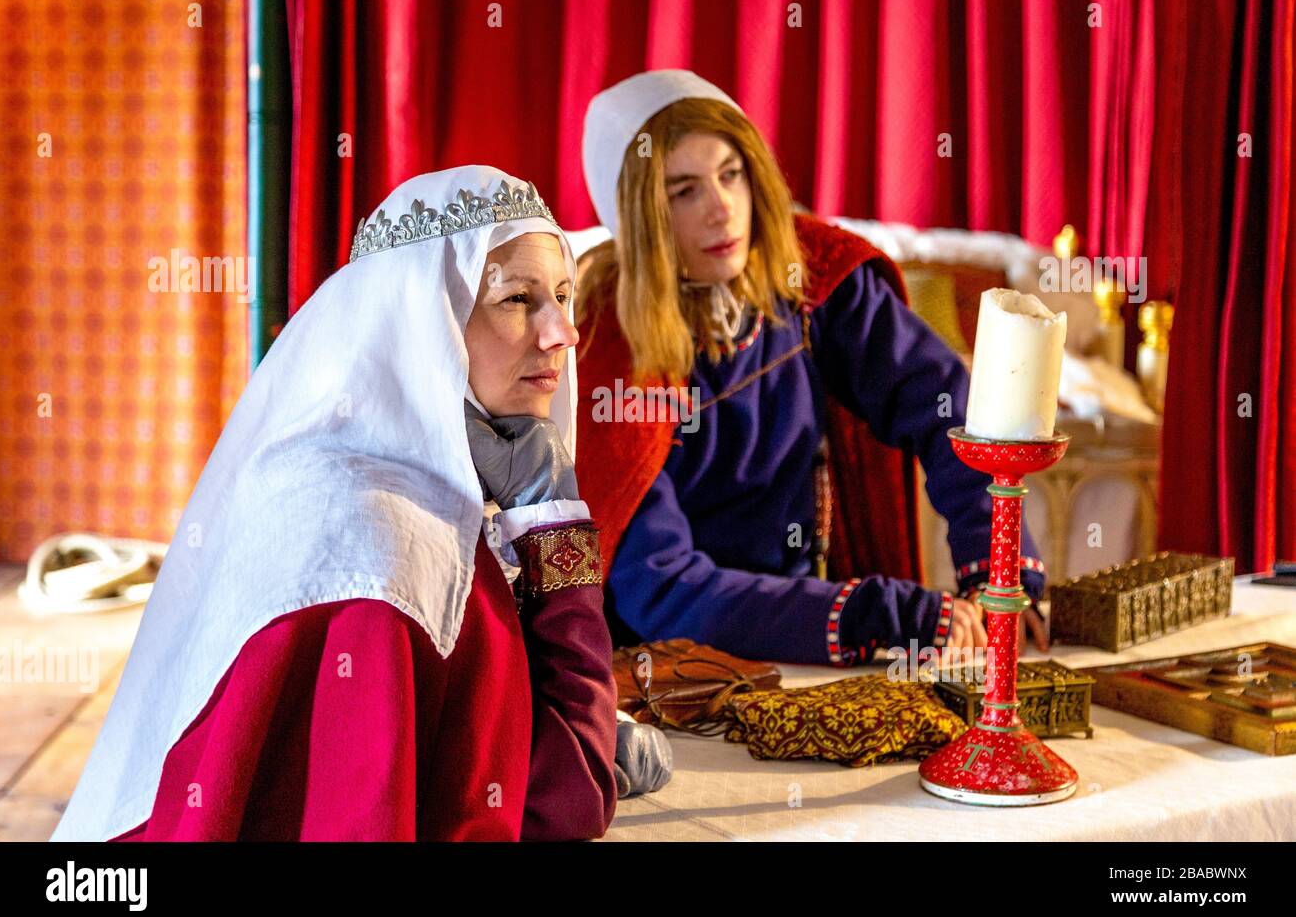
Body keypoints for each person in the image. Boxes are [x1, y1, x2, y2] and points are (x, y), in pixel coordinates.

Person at [51, 165, 663, 842]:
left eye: (562, 296)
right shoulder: (381, 542)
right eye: (518, 299)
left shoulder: (383, 491)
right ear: (423, 323)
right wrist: (553, 525)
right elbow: (569, 800)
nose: (561, 333)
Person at [574, 70, 1050, 667]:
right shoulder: (609, 348)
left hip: (817, 630)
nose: (722, 210)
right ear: (640, 216)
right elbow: (662, 589)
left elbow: (944, 403)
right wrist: (881, 615)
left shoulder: (810, 279)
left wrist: (999, 571)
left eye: (731, 175)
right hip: (678, 664)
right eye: (683, 191)